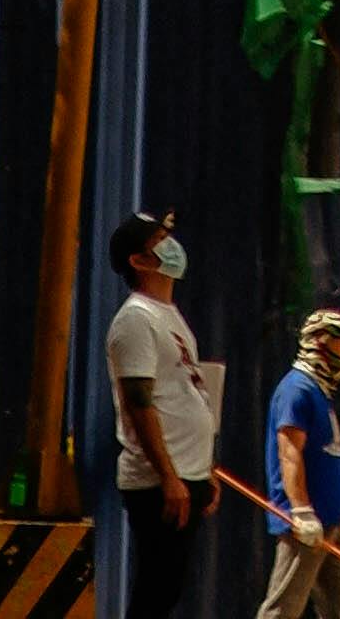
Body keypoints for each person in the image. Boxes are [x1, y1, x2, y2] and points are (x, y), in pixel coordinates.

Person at [106, 205, 222, 619]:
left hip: (184, 476)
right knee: (155, 591)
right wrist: (170, 477)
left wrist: (203, 469)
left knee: (168, 589)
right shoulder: (135, 320)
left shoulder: (168, 316)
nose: (172, 245)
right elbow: (141, 405)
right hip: (158, 482)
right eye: (159, 241)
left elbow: (186, 395)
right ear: (138, 261)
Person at [258, 313, 340, 619]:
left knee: (338, 607)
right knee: (283, 607)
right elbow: (290, 452)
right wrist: (301, 512)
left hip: (327, 523)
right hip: (305, 524)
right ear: (319, 345)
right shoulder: (297, 389)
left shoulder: (319, 393)